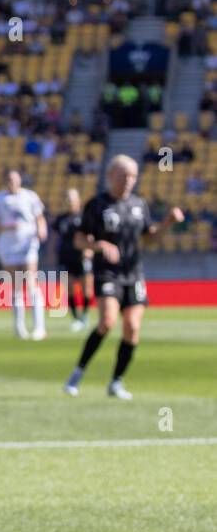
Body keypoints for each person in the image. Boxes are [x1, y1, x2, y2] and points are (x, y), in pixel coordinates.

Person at [63, 155, 184, 399]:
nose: (129, 180)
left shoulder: (139, 205)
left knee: (132, 327)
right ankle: (77, 373)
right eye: (123, 175)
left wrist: (167, 223)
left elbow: (149, 239)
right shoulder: (96, 205)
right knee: (107, 322)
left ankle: (116, 382)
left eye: (132, 176)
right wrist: (98, 245)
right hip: (107, 272)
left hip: (134, 273)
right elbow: (79, 240)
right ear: (110, 176)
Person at [0, 168, 48, 340]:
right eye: (9, 180)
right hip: (8, 245)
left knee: (31, 281)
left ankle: (39, 328)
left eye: (15, 180)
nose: (12, 183)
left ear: (20, 180)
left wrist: (42, 229)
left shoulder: (30, 196)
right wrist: (5, 227)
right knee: (15, 285)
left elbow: (39, 217)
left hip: (27, 243)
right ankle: (19, 327)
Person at [50, 188, 93, 332]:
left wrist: (89, 249)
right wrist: (52, 254)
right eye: (66, 198)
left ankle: (85, 316)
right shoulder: (61, 219)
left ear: (78, 200)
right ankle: (76, 319)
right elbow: (55, 237)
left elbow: (91, 234)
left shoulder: (84, 217)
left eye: (71, 198)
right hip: (66, 257)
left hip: (82, 256)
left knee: (87, 290)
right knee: (69, 289)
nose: (68, 201)